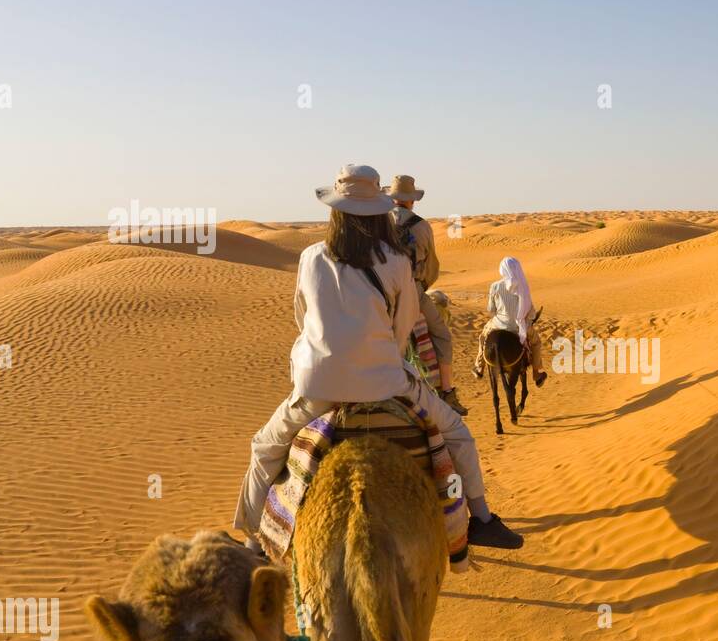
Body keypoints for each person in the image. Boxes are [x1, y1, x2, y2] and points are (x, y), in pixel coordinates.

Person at [234, 164, 522, 552]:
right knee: (457, 433)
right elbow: (403, 328)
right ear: (377, 212)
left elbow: (302, 319)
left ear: (334, 212)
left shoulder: (311, 258)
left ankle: (253, 541)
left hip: (318, 386)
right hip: (386, 382)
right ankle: (482, 518)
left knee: (265, 448)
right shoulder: (397, 261)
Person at [383, 174, 467, 416]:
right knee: (442, 335)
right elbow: (431, 267)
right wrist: (420, 287)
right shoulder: (421, 226)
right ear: (412, 201)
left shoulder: (380, 224)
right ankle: (447, 392)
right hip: (413, 291)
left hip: (381, 291)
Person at [472, 256, 547, 386]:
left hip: (499, 323)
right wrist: (526, 317)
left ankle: (479, 367)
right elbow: (531, 311)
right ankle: (536, 373)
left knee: (483, 336)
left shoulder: (495, 286)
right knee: (535, 342)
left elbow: (491, 309)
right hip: (520, 326)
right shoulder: (523, 286)